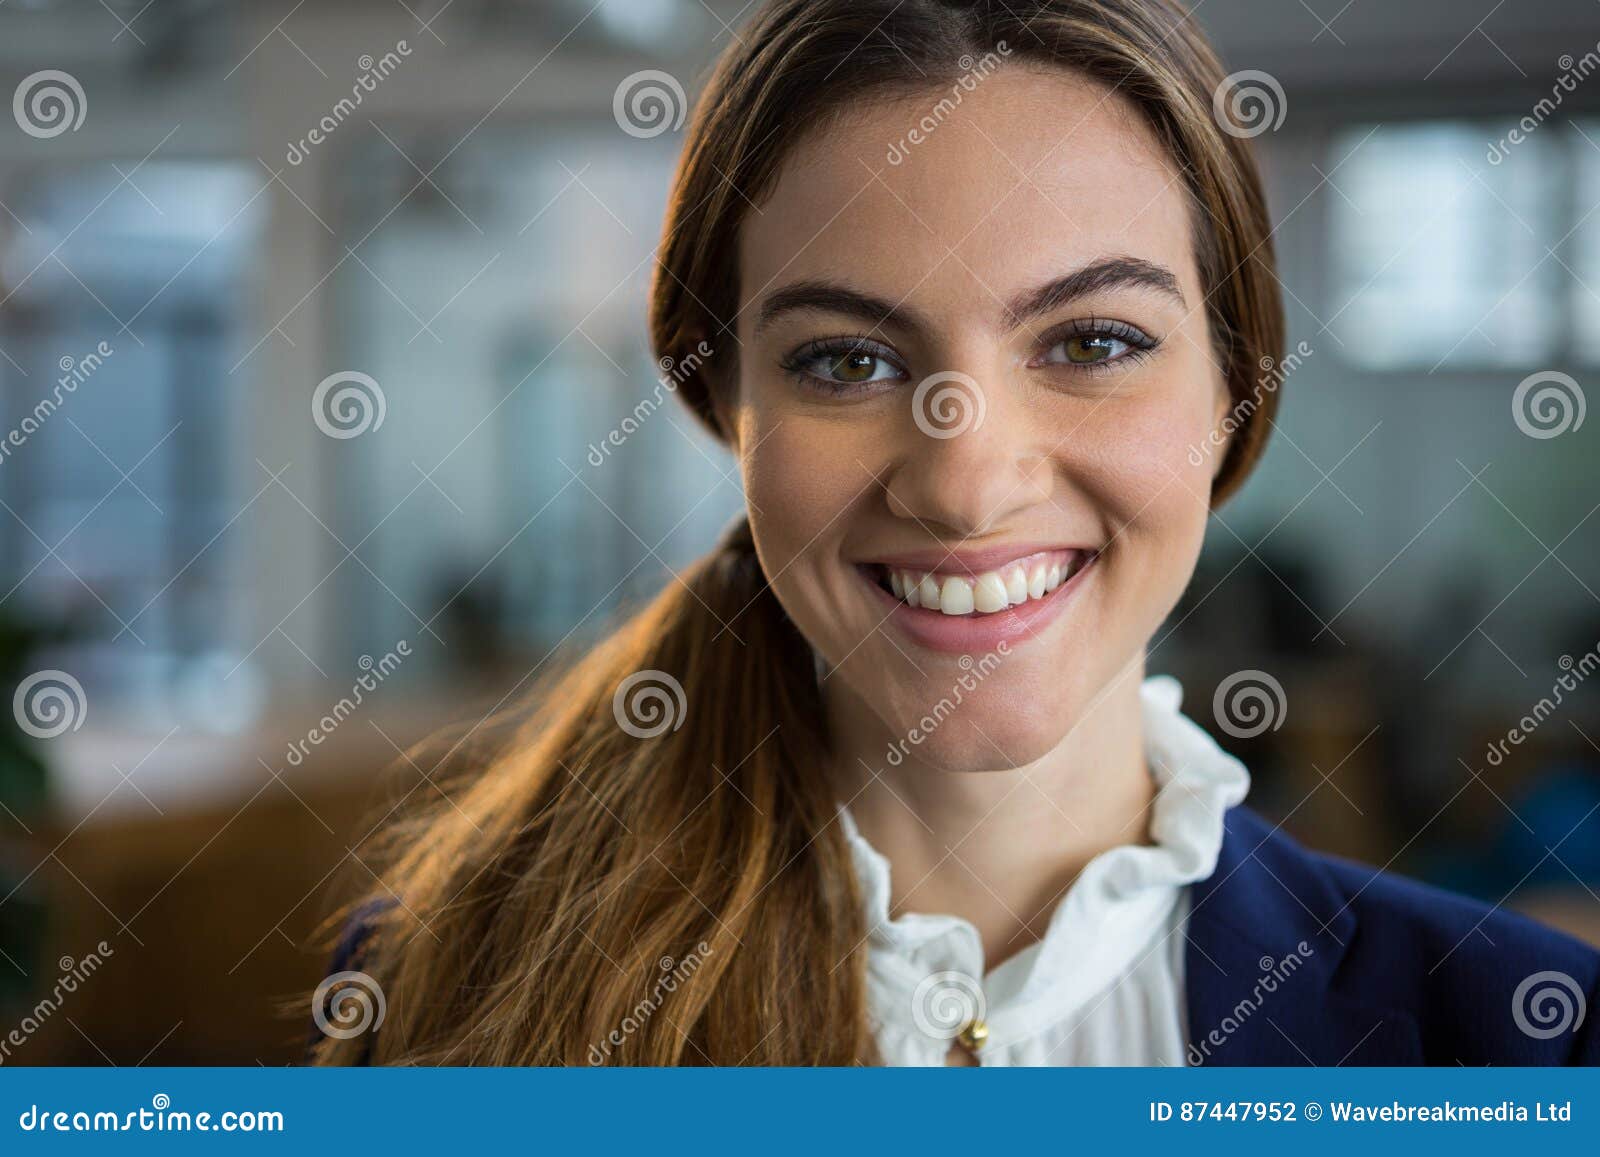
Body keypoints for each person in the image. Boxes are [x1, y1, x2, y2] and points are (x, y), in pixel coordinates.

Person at [306, 0, 1600, 1066]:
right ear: (723, 405)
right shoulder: (436, 991)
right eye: (845, 360)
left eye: (1094, 342)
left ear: (1234, 393)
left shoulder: (1528, 1038)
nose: (969, 484)